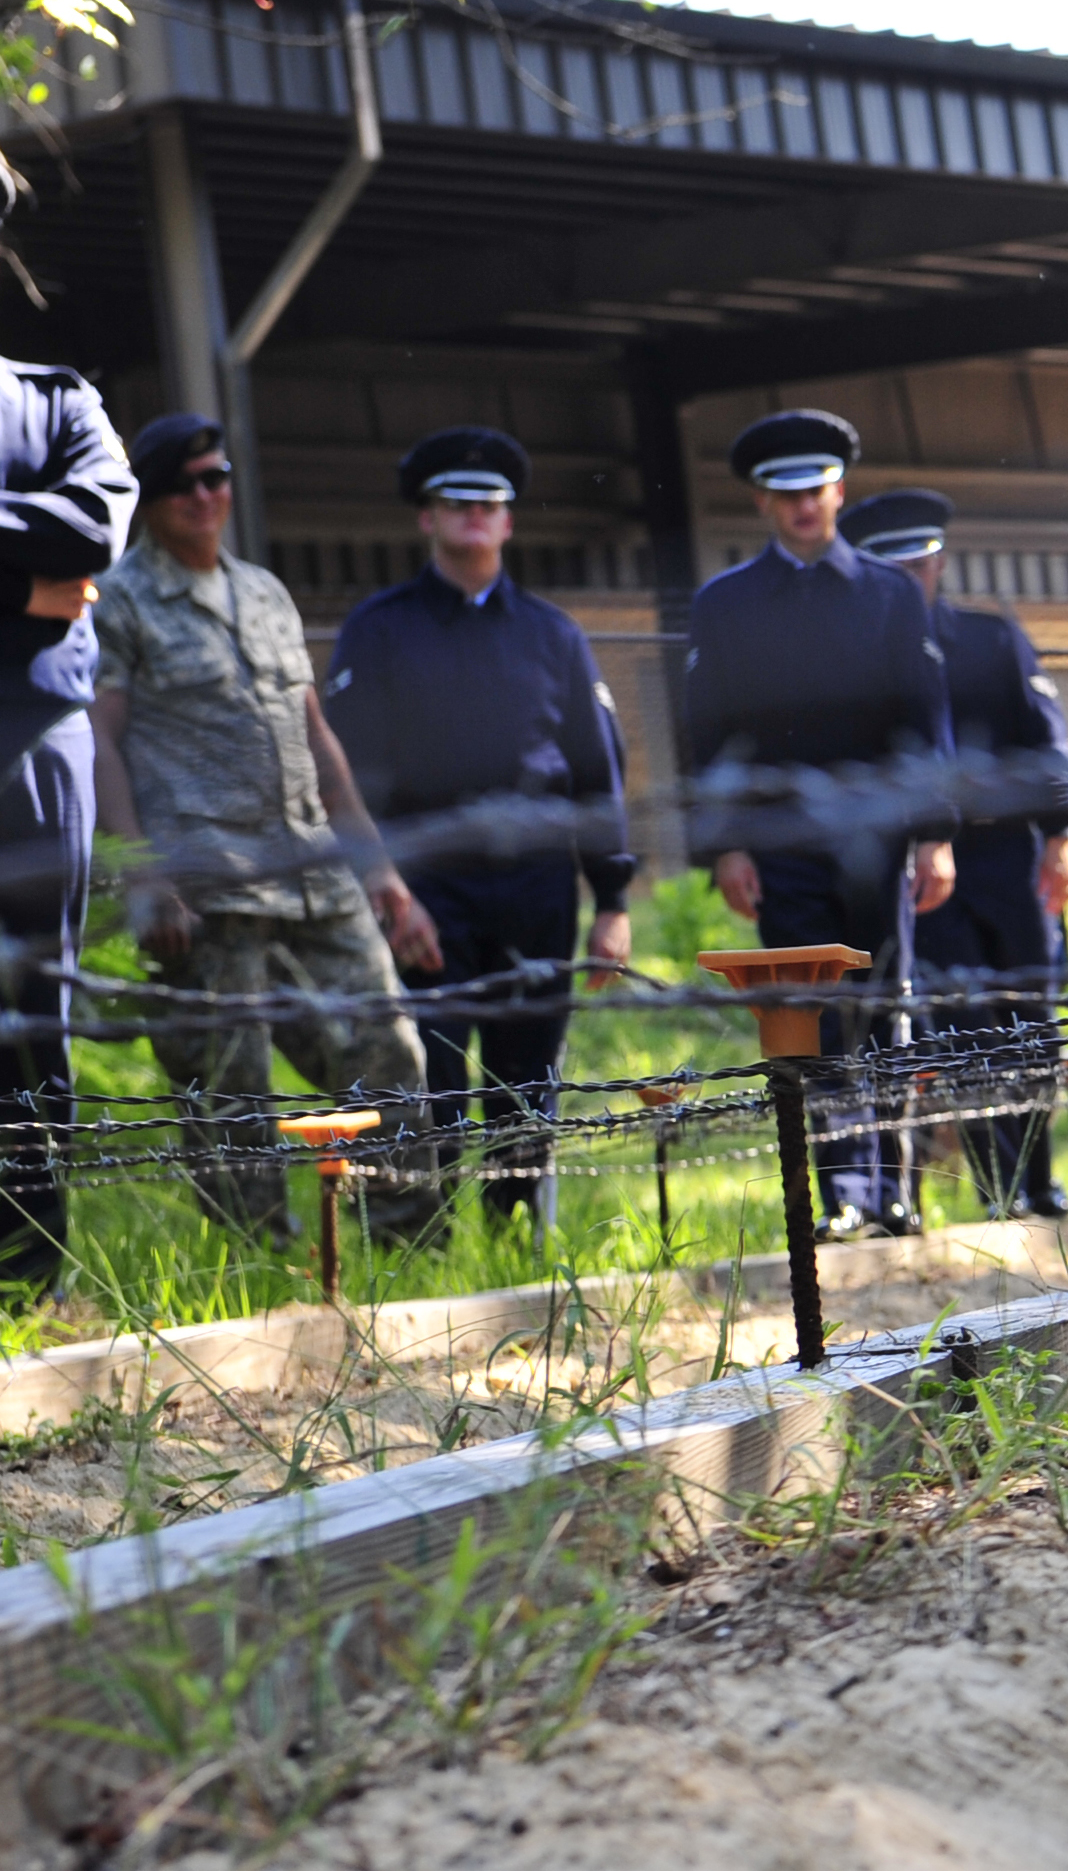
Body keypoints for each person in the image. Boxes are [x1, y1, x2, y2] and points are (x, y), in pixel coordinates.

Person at [92, 414, 445, 1242]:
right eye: (182, 485)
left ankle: (411, 1242)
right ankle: (258, 1264)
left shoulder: (264, 592)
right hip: (206, 883)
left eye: (215, 478)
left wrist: (380, 870)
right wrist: (143, 874)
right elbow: (99, 740)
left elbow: (317, 738)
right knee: (230, 1086)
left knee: (389, 1050)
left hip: (314, 868)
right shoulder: (122, 601)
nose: (203, 496)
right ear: (150, 499)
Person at [323, 428, 635, 1225]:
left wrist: (612, 899)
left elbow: (596, 772)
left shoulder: (553, 635)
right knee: (428, 1063)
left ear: (508, 520)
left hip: (535, 884)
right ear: (426, 517)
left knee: (527, 1073)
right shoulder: (379, 630)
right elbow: (342, 773)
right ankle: (425, 1230)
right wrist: (380, 887)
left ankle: (512, 1227)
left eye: (488, 503)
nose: (473, 515)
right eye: (455, 502)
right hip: (424, 886)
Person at [682, 410, 956, 1235]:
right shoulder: (726, 605)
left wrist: (935, 834)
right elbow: (708, 735)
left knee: (884, 1006)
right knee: (810, 1012)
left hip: (881, 838)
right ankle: (842, 1194)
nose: (805, 505)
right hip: (781, 843)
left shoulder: (891, 594)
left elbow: (925, 720)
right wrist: (726, 844)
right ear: (763, 502)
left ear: (839, 492)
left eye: (817, 489)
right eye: (787, 493)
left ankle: (896, 1189)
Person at [839, 486, 1068, 1219]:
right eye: (894, 569)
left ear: (940, 562)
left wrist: (1061, 836)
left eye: (920, 564)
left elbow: (1044, 741)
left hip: (1007, 856)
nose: (911, 579)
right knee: (963, 1027)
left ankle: (1038, 1178)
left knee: (1029, 1016)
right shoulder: (859, 659)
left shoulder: (990, 638)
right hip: (923, 869)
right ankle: (1000, 1190)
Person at [0, 327, 136, 1296]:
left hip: (33, 733)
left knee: (31, 1009)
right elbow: (51, 555)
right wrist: (22, 584)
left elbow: (92, 533)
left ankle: (23, 1278)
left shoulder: (56, 403)